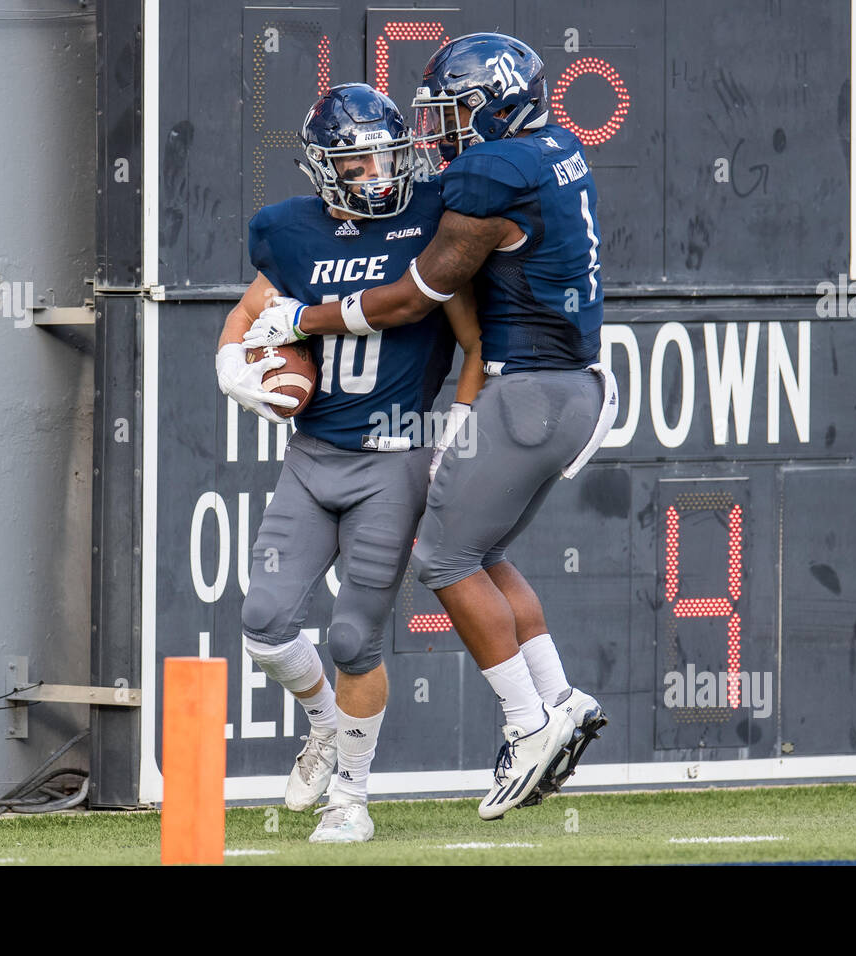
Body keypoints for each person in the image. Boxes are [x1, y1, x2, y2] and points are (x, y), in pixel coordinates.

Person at [244, 33, 618, 821]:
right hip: (573, 384)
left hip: (526, 389)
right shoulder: (555, 149)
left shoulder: (488, 175)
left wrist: (304, 317)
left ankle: (527, 724)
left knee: (445, 560)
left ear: (496, 104)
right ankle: (561, 698)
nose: (441, 133)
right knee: (482, 552)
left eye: (452, 114)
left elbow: (415, 297)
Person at [216, 82, 483, 842]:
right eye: (357, 162)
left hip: (392, 459)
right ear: (326, 169)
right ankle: (326, 724)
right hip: (312, 454)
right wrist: (231, 362)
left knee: (351, 640)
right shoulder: (293, 234)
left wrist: (457, 432)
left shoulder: (429, 221)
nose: (376, 175)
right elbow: (248, 310)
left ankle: (353, 799)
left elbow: (472, 340)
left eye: (384, 157)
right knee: (263, 623)